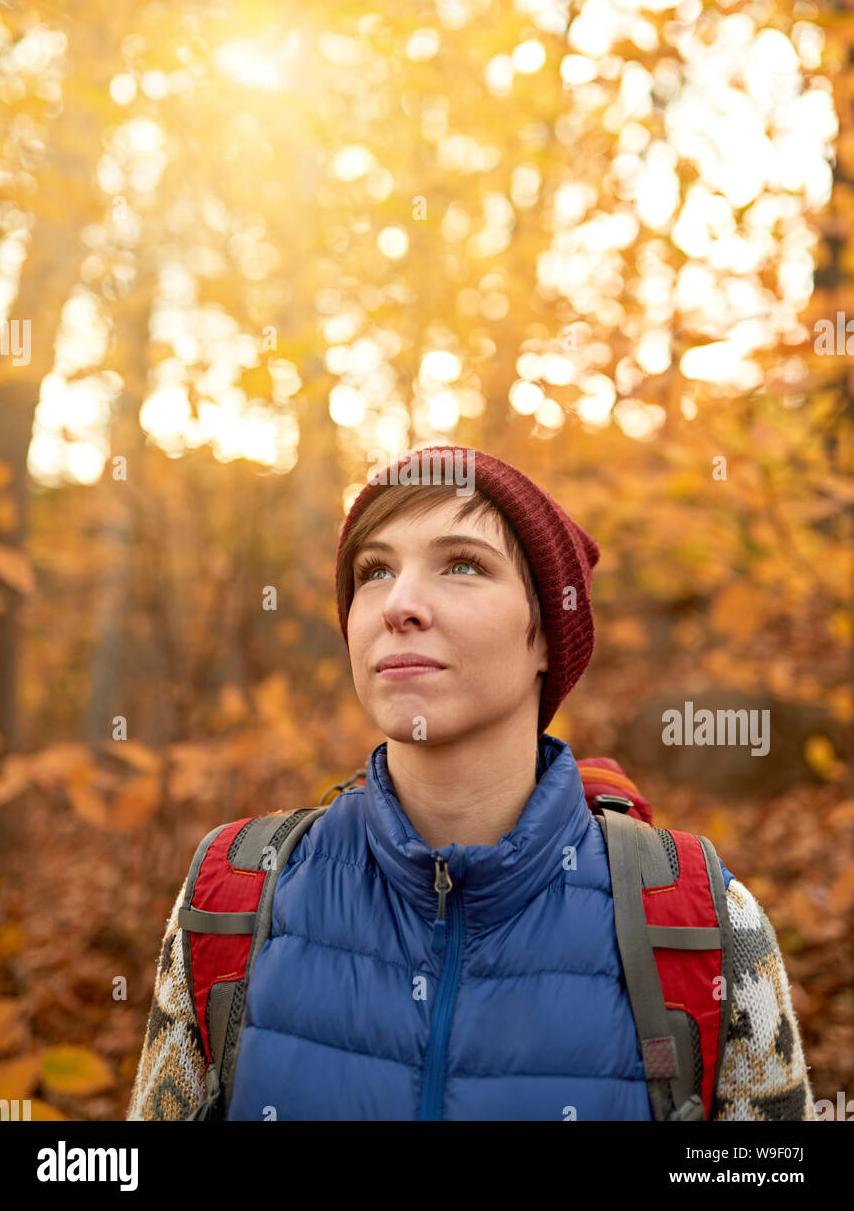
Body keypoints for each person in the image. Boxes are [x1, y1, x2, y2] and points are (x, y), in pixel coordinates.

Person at [127, 445, 816, 1120]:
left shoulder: (703, 919)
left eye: (461, 565)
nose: (399, 604)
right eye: (374, 571)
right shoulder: (234, 892)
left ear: (545, 634)